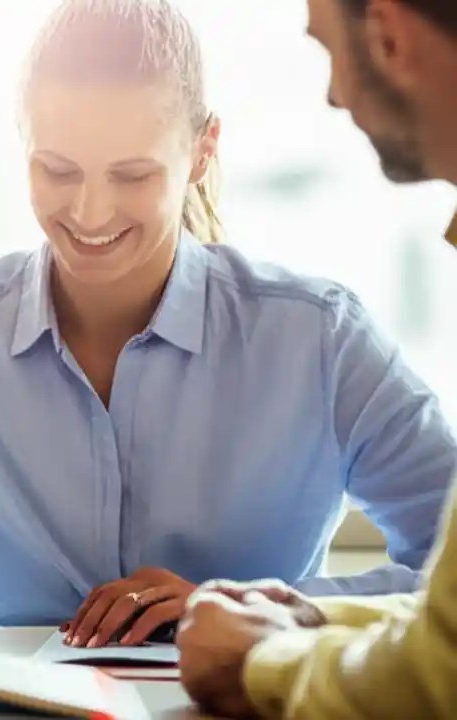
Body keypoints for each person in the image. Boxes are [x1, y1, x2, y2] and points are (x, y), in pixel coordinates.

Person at [0, 0, 457, 674]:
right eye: (57, 169)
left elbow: (444, 557)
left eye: (133, 173)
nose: (90, 211)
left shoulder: (319, 337)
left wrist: (272, 611)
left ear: (202, 152)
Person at [177, 0, 457, 716]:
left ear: (389, 38)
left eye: (329, 50)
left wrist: (267, 658)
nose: (334, 94)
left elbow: (437, 673)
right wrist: (309, 617)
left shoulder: (317, 327)